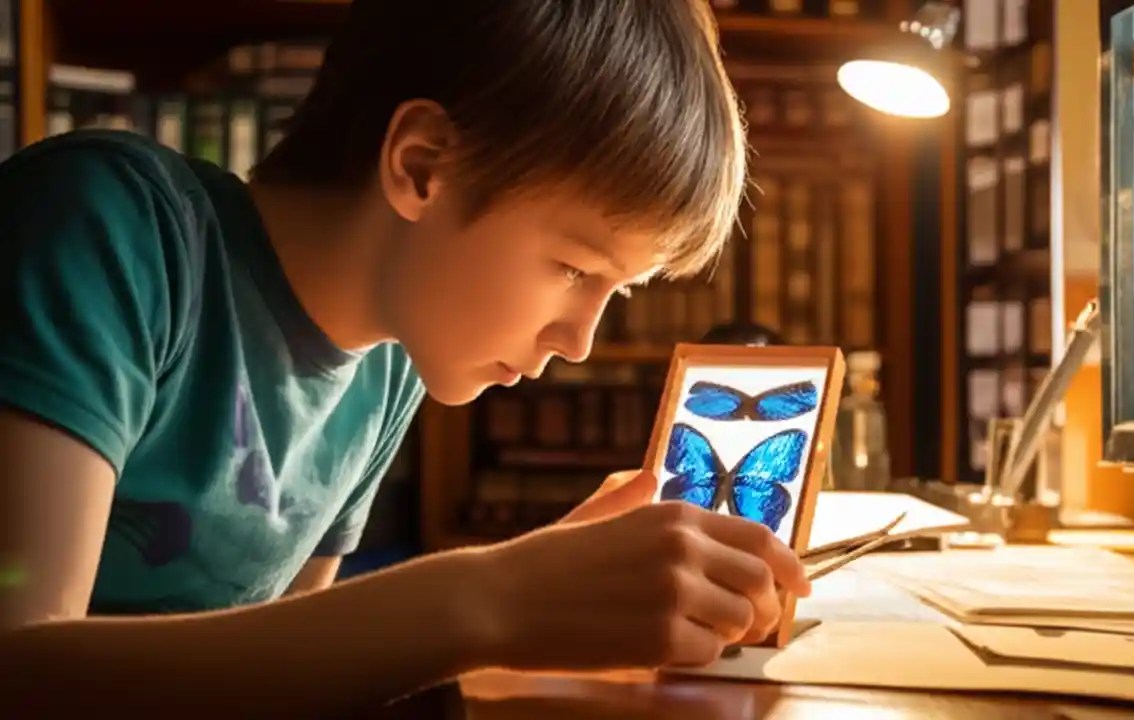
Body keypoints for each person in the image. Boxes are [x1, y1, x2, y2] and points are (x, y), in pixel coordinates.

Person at [0, 0, 811, 716]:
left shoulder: (386, 366)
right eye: (573, 269)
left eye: (617, 291)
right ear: (423, 166)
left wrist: (547, 594)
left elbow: (272, 676)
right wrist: (492, 597)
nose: (579, 341)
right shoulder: (109, 226)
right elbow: (20, 671)